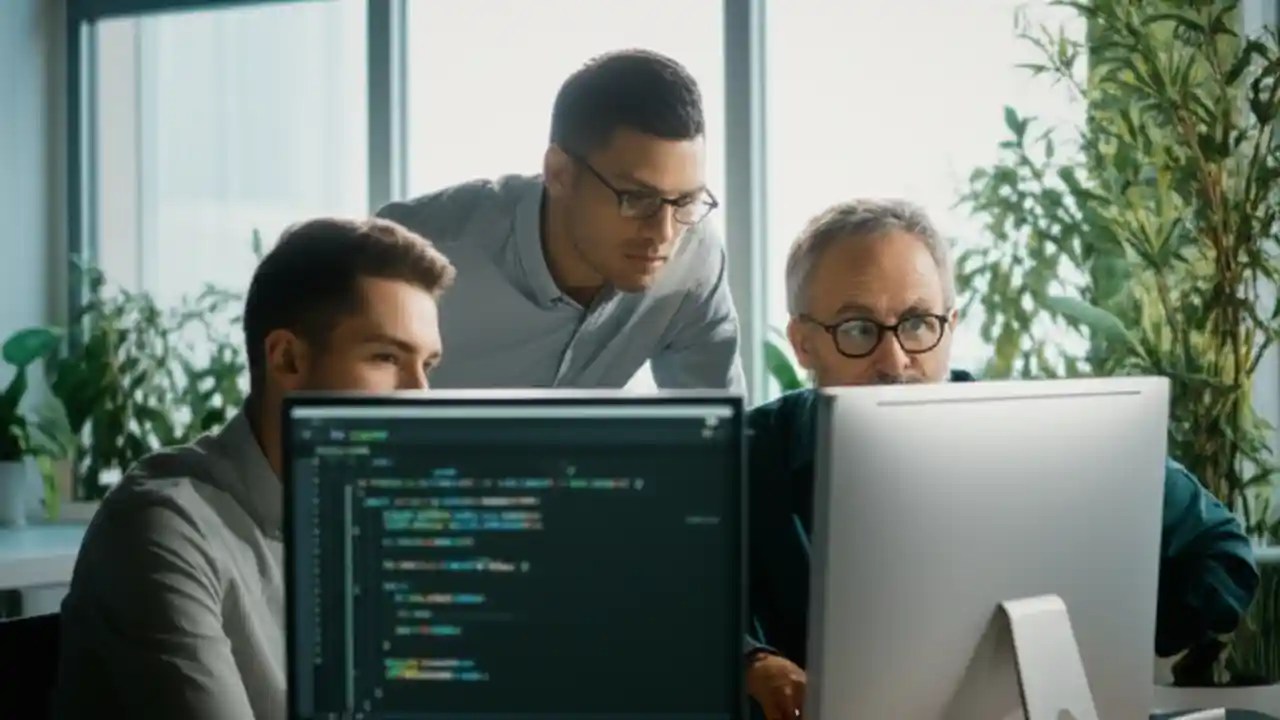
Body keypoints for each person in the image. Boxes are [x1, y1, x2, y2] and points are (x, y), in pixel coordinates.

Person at [742, 199, 1260, 720]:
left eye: (919, 324)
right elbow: (667, 601)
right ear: (803, 344)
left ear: (951, 323)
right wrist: (751, 662)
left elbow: (1221, 552)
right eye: (858, 329)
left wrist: (1113, 643)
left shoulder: (1038, 435)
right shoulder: (746, 457)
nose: (895, 360)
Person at [54, 218, 456, 720]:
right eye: (385, 357)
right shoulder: (164, 527)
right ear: (287, 359)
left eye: (429, 366)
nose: (419, 397)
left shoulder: (381, 526)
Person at [377, 48, 743, 391]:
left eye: (685, 200)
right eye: (637, 199)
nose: (663, 233)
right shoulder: (415, 249)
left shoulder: (693, 252)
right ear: (559, 173)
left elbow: (717, 429)